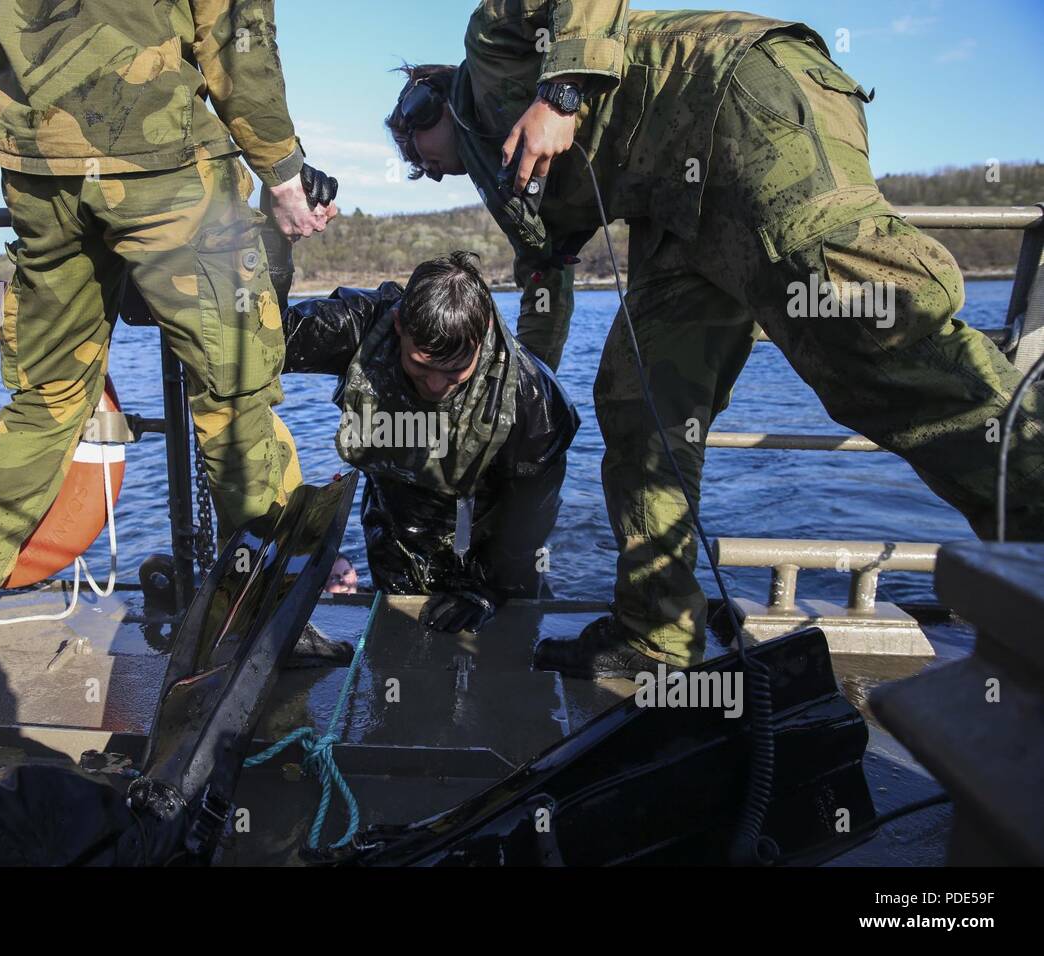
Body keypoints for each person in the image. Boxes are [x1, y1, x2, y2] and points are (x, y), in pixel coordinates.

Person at [384, 1, 1044, 676]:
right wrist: (514, 408)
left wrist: (561, 92)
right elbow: (547, 284)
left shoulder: (494, 54)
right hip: (678, 216)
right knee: (640, 401)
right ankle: (656, 634)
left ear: (432, 98)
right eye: (411, 168)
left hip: (739, 105)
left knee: (873, 350)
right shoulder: (508, 176)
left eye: (415, 147)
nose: (423, 169)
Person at [0, 0, 336, 647]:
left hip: (37, 160)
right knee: (234, 397)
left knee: (47, 398)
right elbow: (236, 36)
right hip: (158, 154)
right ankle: (271, 620)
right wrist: (284, 167)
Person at [281, 251, 579, 633]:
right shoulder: (364, 324)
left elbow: (529, 518)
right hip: (395, 528)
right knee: (398, 652)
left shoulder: (533, 401)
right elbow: (270, 334)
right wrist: (277, 242)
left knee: (507, 648)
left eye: (454, 370)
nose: (435, 385)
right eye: (420, 365)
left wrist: (490, 589)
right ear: (400, 324)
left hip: (487, 541)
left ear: (483, 330)